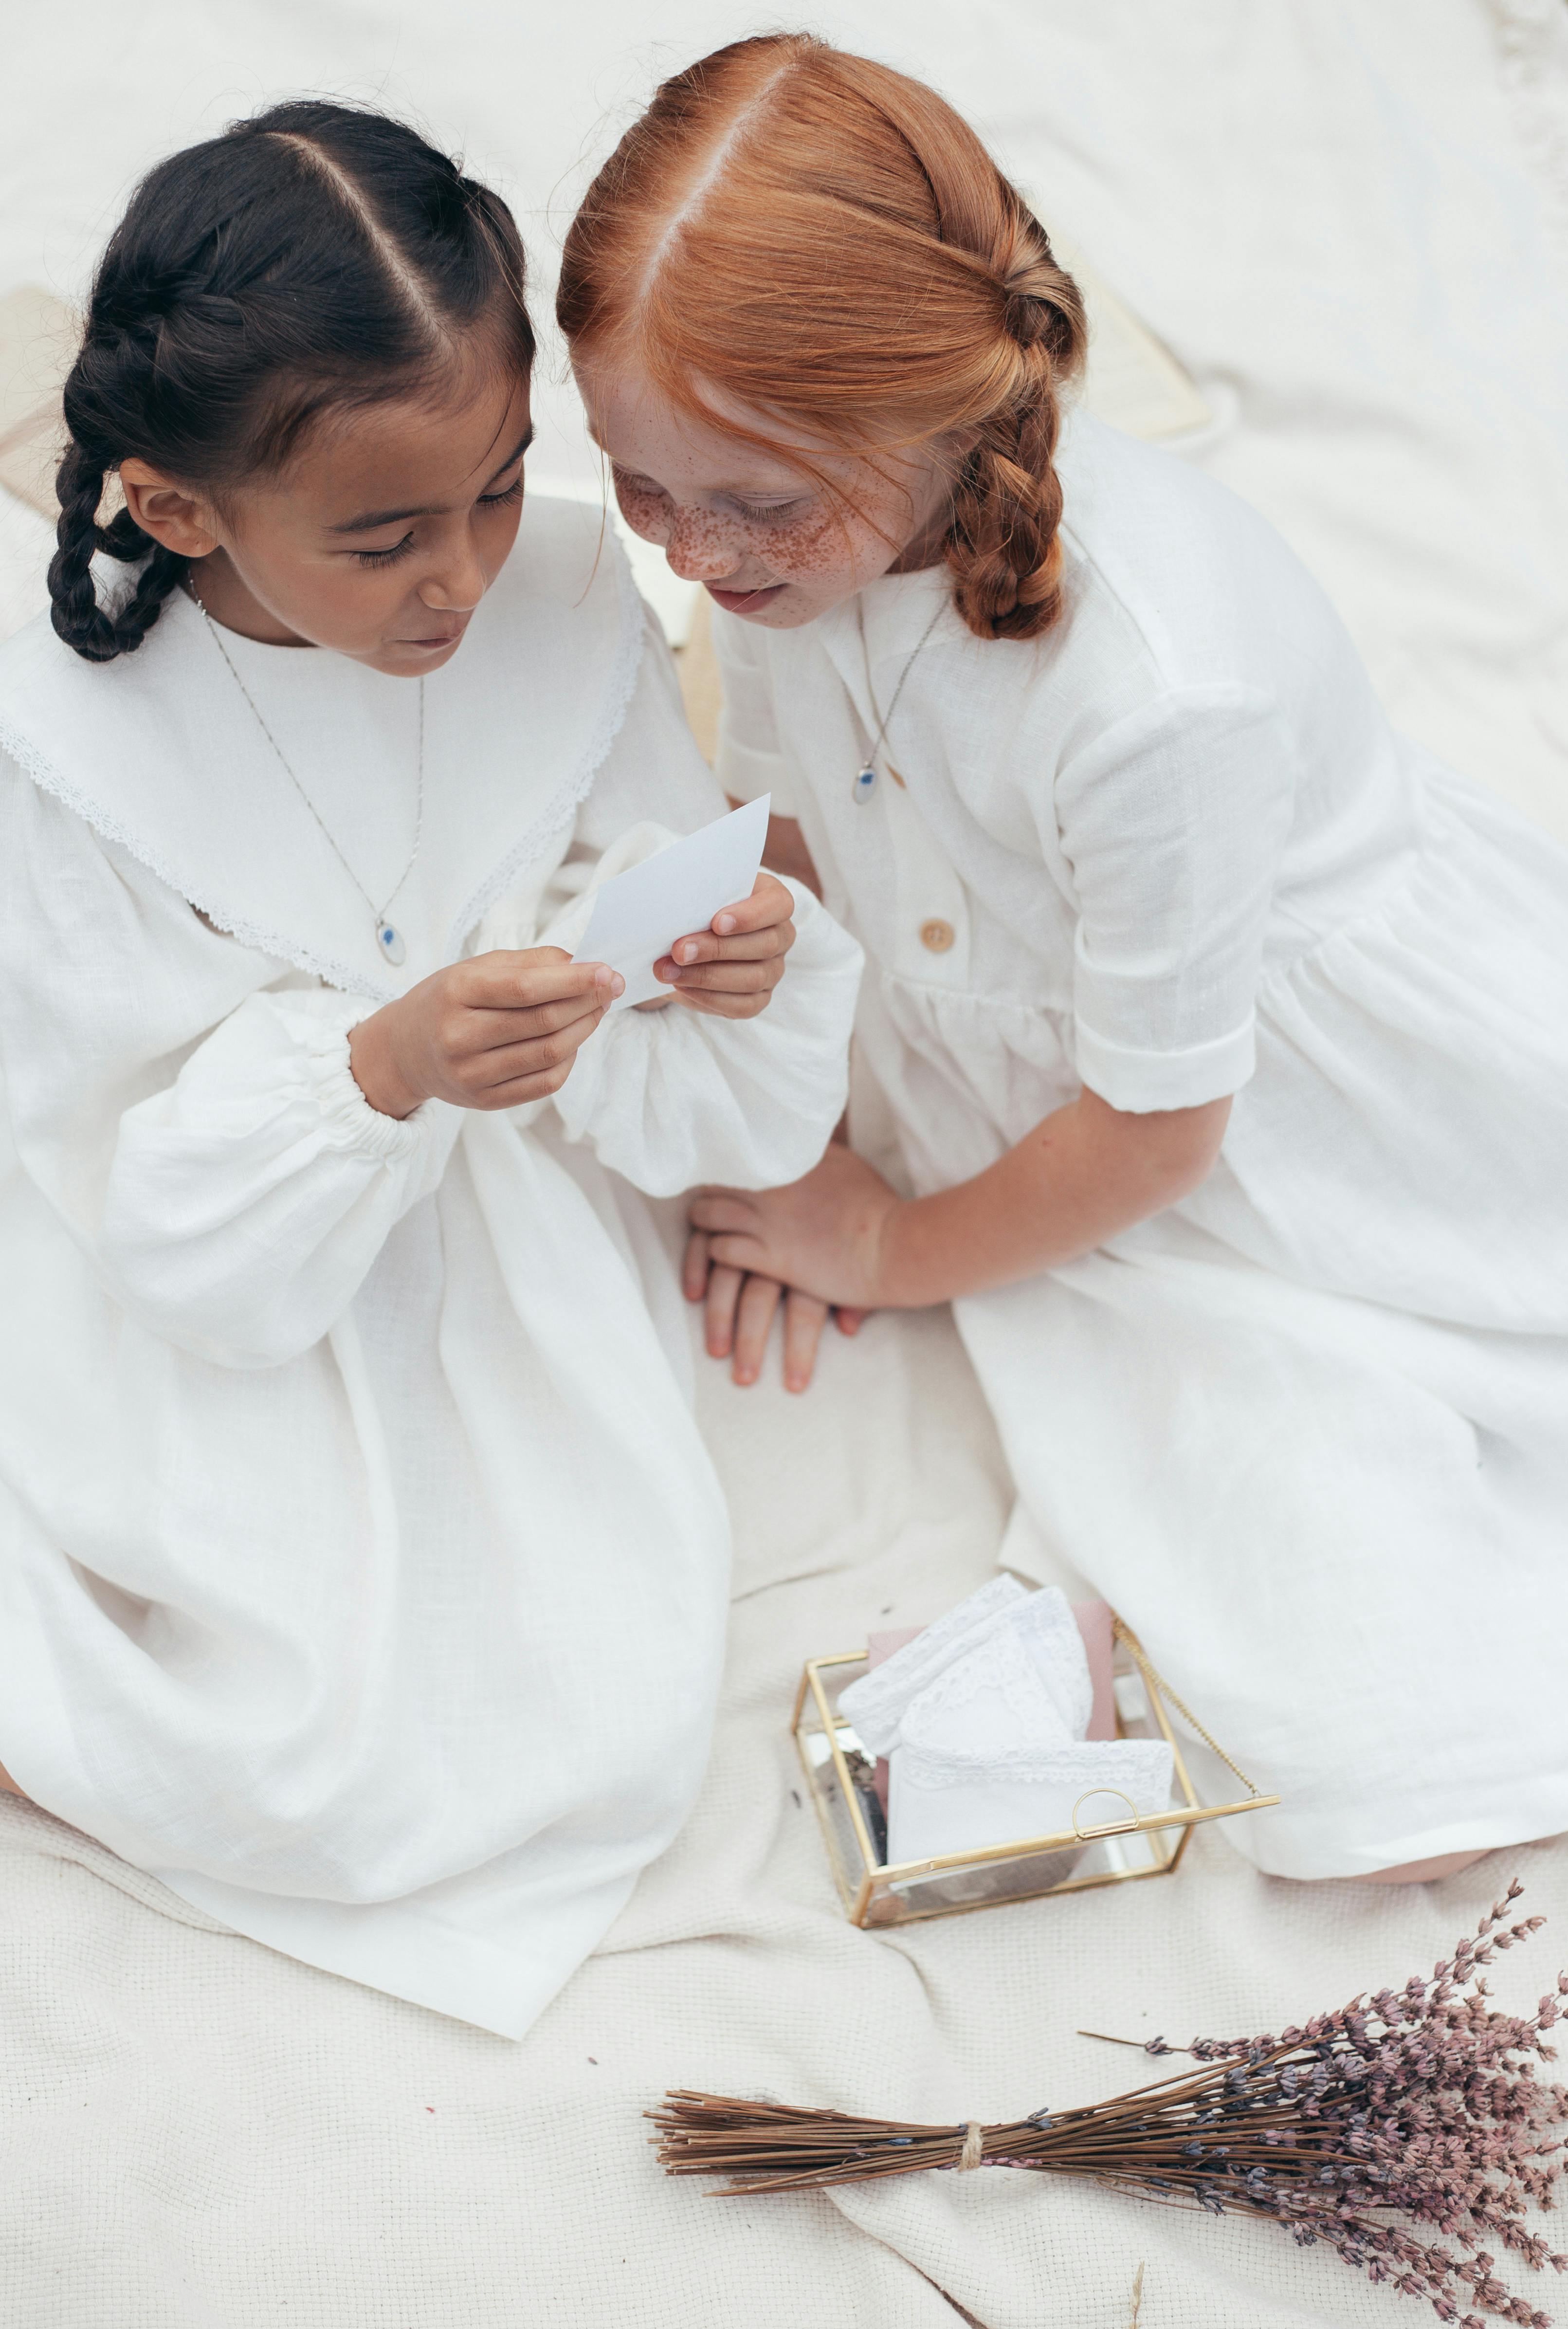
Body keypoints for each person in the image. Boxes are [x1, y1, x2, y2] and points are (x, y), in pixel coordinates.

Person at [557, 33, 1568, 1885]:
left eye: (751, 503)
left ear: (938, 411)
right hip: (1048, 1061)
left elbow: (1166, 1126)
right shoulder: (788, 553)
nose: (692, 557)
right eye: (637, 488)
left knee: (1336, 1620)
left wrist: (881, 1240)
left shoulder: (1154, 693)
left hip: (1272, 1116)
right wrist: (736, 977)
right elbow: (799, 821)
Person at [0, 99, 861, 2037]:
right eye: (382, 538)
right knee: (264, 1704)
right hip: (210, 1231)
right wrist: (369, 1074)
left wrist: (701, 961)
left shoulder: (557, 609)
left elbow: (625, 886)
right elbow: (108, 1143)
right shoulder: (59, 737)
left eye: (496, 489)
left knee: (603, 1699)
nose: (460, 580)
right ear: (176, 510)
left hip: (504, 1215)